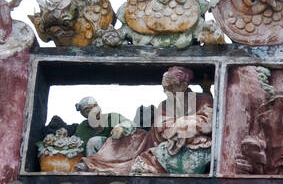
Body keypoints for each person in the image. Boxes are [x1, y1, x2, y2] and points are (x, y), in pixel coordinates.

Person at [83, 66, 213, 175]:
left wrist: (183, 123)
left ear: (183, 85)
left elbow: (207, 120)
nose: (165, 91)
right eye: (164, 88)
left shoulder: (203, 99)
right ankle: (94, 163)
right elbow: (163, 128)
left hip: (168, 146)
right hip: (150, 141)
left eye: (169, 87)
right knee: (123, 142)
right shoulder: (164, 104)